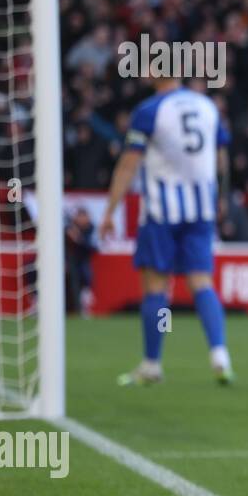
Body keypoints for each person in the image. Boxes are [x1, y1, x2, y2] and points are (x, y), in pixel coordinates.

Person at [99, 70, 234, 386]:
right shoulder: (207, 106)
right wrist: (222, 197)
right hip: (201, 207)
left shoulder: (149, 110)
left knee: (156, 286)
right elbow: (222, 157)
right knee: (201, 280)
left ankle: (152, 364)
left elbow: (130, 163)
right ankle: (220, 355)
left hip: (162, 210)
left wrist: (110, 211)